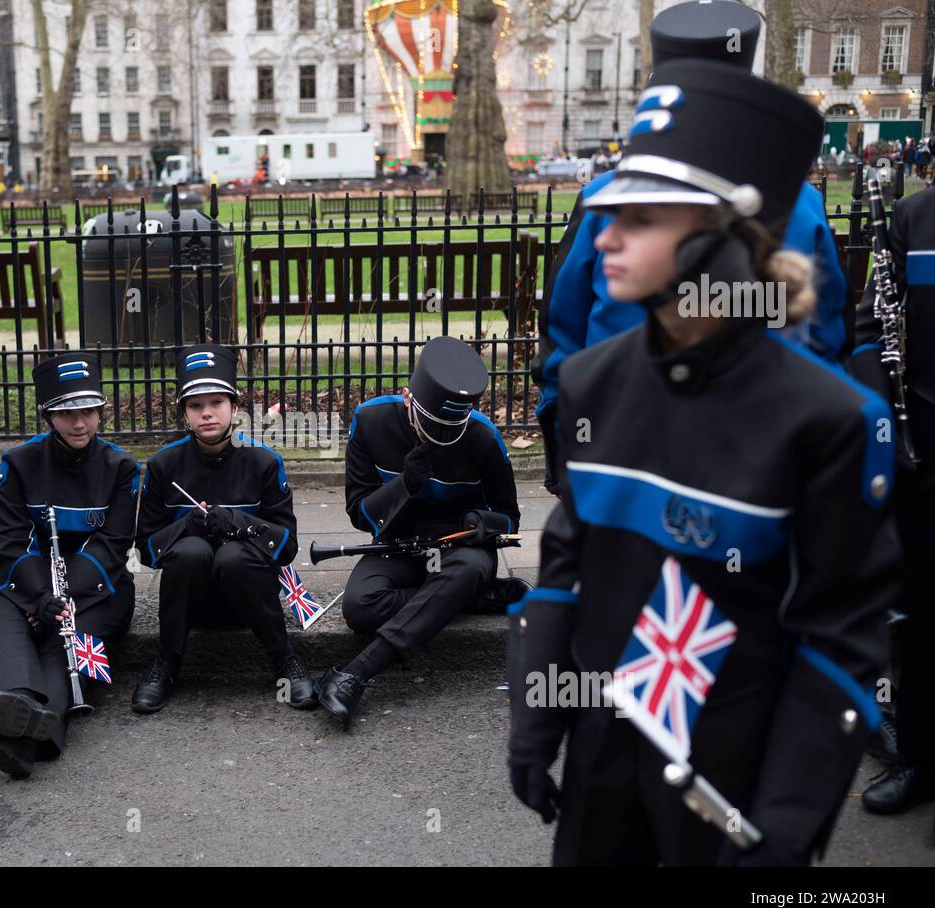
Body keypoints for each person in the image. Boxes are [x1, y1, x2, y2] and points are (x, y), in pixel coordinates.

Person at [507, 59, 900, 866]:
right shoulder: (592, 382)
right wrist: (537, 722)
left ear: (727, 241)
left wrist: (784, 828)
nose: (602, 234)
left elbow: (839, 641)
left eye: (640, 217)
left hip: (732, 784)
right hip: (603, 752)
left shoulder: (828, 419)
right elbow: (565, 571)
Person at [532, 0, 849, 497]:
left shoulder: (800, 205)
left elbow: (824, 333)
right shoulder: (604, 199)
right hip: (621, 441)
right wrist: (569, 424)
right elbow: (561, 328)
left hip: (752, 447)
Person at [320, 336, 520, 729]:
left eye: (450, 428)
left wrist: (481, 524)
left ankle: (355, 675)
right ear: (408, 397)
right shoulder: (371, 420)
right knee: (359, 607)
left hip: (460, 549)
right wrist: (405, 485)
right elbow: (359, 515)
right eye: (432, 426)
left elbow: (509, 518)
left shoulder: (481, 436)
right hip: (397, 542)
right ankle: (462, 598)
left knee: (462, 572)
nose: (441, 437)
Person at [0, 353, 138, 778]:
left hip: (97, 588)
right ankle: (16, 703)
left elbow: (114, 545)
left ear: (101, 411)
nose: (80, 424)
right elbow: (6, 538)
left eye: (89, 411)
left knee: (66, 646)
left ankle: (19, 739)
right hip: (28, 582)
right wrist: (39, 595)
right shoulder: (20, 463)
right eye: (67, 413)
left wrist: (62, 598)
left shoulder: (121, 467)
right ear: (48, 416)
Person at [132, 343, 316, 713]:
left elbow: (287, 547)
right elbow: (146, 551)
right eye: (196, 406)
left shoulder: (264, 462)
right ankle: (167, 663)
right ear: (184, 413)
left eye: (216, 403)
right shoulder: (163, 465)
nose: (207, 414)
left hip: (247, 600)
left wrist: (240, 522)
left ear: (234, 407)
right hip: (190, 603)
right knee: (191, 551)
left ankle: (285, 661)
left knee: (233, 556)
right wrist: (185, 525)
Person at [852, 163, 935, 823]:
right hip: (923, 451)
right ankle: (920, 760)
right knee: (925, 615)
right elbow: (868, 332)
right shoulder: (912, 218)